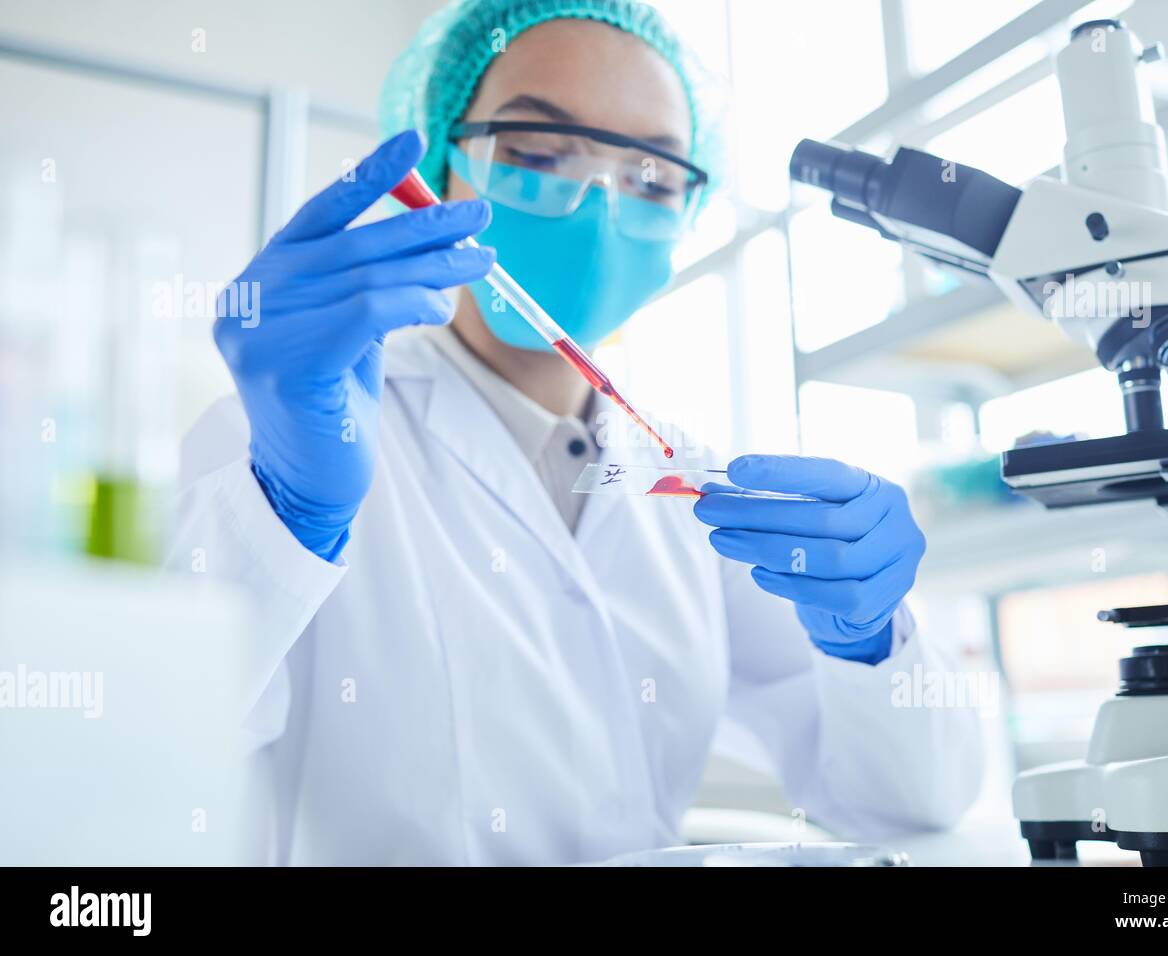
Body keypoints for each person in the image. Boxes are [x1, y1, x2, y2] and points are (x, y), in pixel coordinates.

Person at [174, 0, 982, 865]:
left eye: (651, 174)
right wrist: (287, 520)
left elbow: (915, 804)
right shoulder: (288, 436)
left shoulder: (695, 484)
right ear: (447, 170)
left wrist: (871, 640)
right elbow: (153, 747)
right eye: (537, 151)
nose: (598, 201)